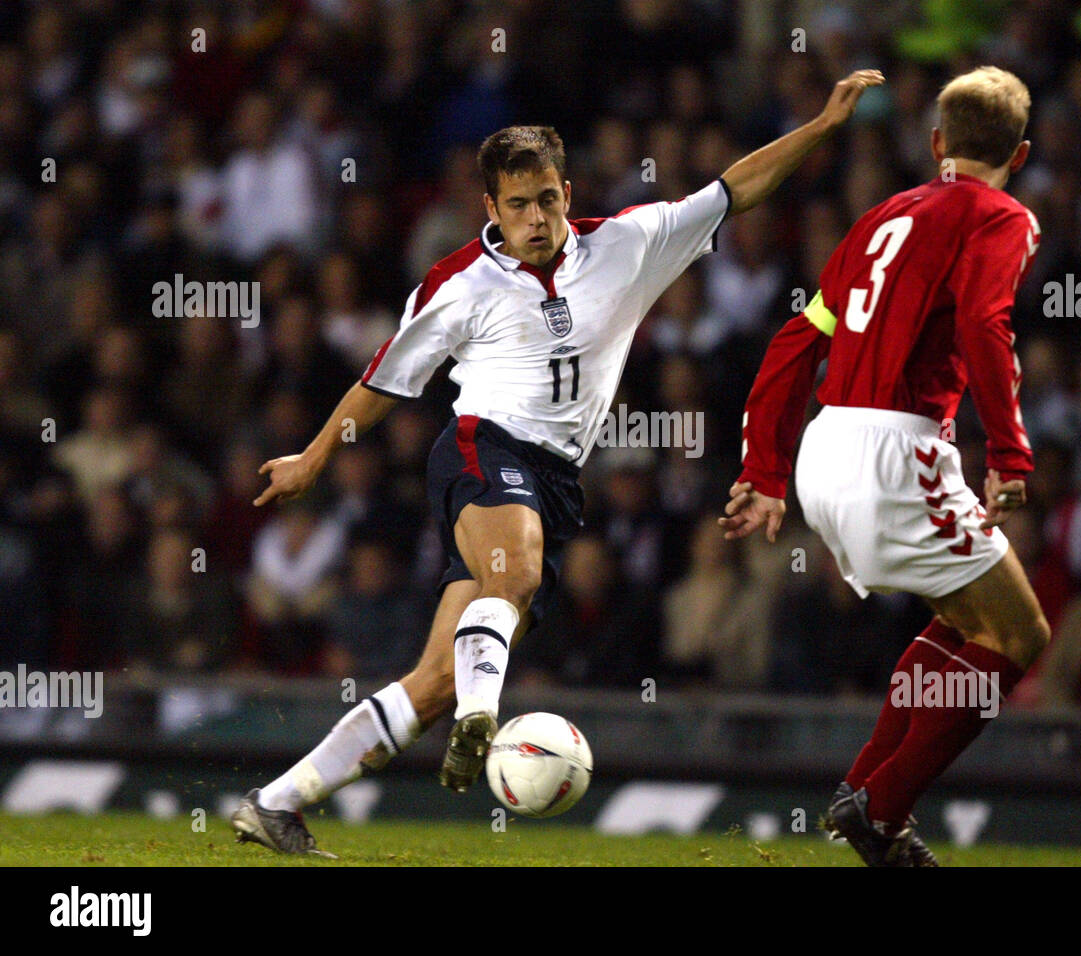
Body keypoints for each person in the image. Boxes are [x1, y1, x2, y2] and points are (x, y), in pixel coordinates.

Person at [231, 68, 886, 855]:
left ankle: (277, 801)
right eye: (518, 205)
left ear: (566, 190)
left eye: (547, 199)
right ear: (490, 209)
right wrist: (311, 458)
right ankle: (484, 717)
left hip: (556, 479)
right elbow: (381, 386)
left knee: (436, 677)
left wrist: (819, 126)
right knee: (517, 580)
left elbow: (734, 188)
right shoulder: (456, 285)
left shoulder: (628, 242)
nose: (537, 219)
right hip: (483, 447)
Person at [720, 66, 1051, 866]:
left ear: (937, 142)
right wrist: (1008, 449)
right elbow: (983, 318)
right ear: (1023, 151)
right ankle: (883, 805)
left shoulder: (882, 216)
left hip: (825, 446)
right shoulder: (1003, 215)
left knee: (967, 622)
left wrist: (765, 468)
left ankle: (865, 793)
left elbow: (798, 340)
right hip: (897, 451)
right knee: (1021, 634)